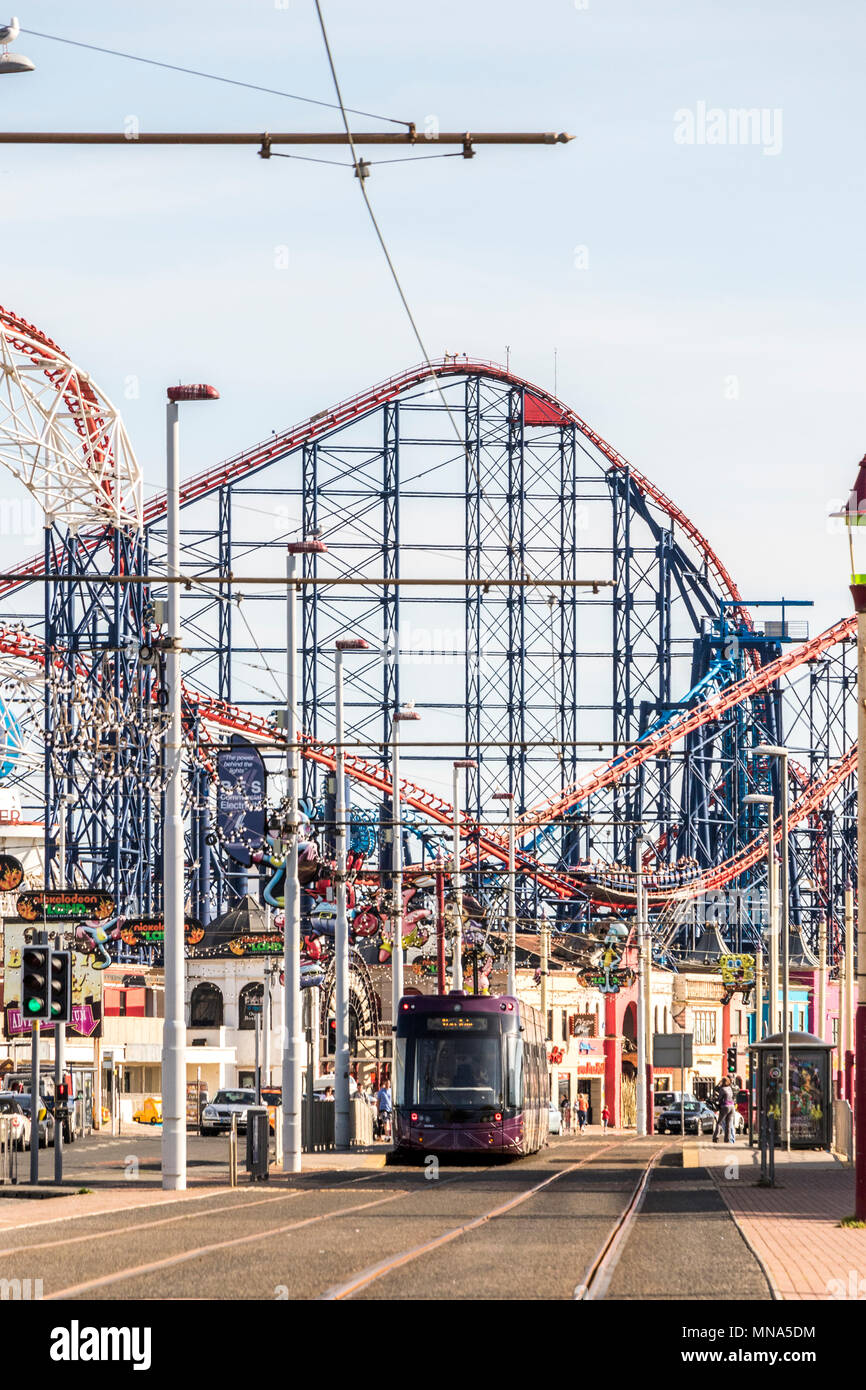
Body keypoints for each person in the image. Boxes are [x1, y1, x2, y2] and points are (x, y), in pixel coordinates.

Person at [718, 1077, 736, 1145]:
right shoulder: (730, 1088)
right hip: (732, 1106)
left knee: (720, 1123)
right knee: (730, 1124)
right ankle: (731, 1140)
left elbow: (719, 1098)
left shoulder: (722, 1089)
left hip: (725, 1106)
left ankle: (717, 1137)